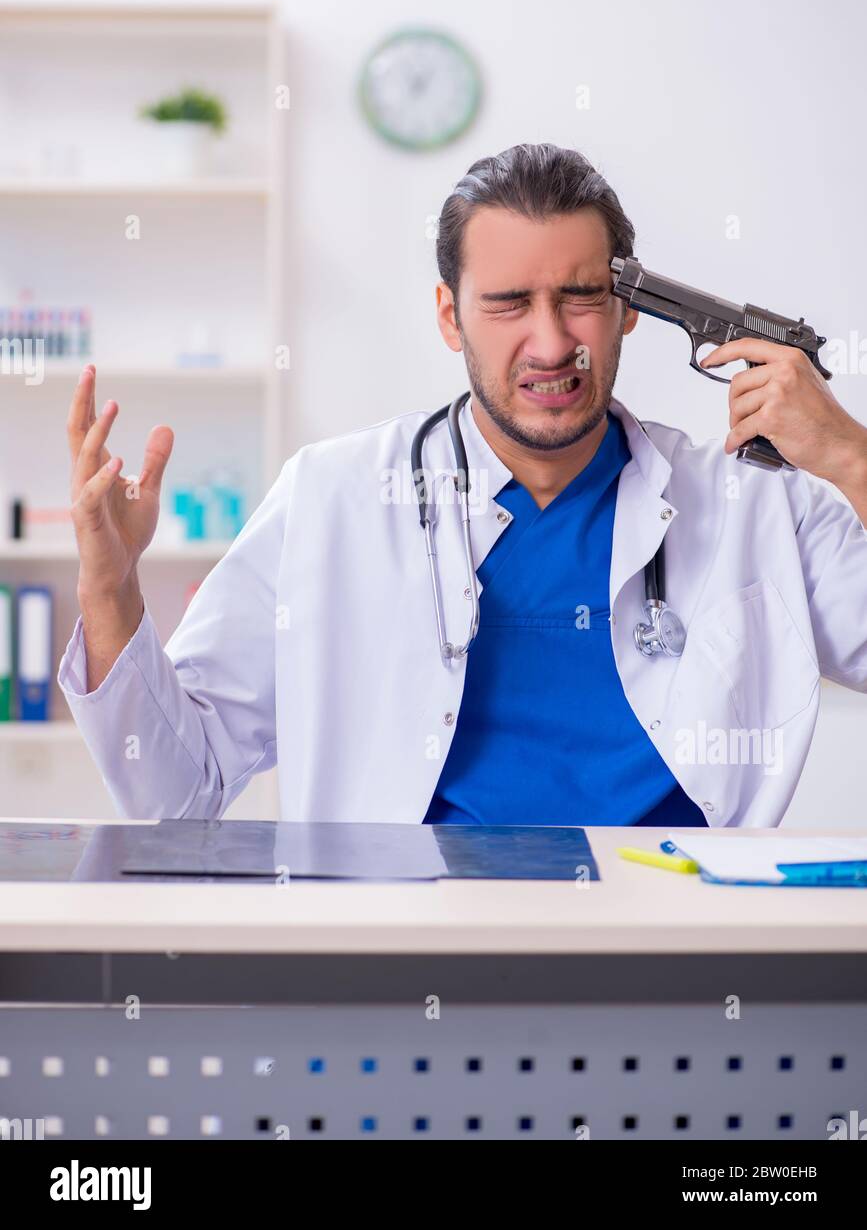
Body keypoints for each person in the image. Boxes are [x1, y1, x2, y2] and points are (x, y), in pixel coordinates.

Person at [59, 144, 867, 825]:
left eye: (579, 298)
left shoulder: (753, 505)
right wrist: (109, 586)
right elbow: (176, 793)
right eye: (509, 304)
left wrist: (851, 459)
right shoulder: (331, 499)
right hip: (408, 959)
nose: (549, 344)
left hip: (679, 954)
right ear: (449, 316)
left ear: (626, 311)